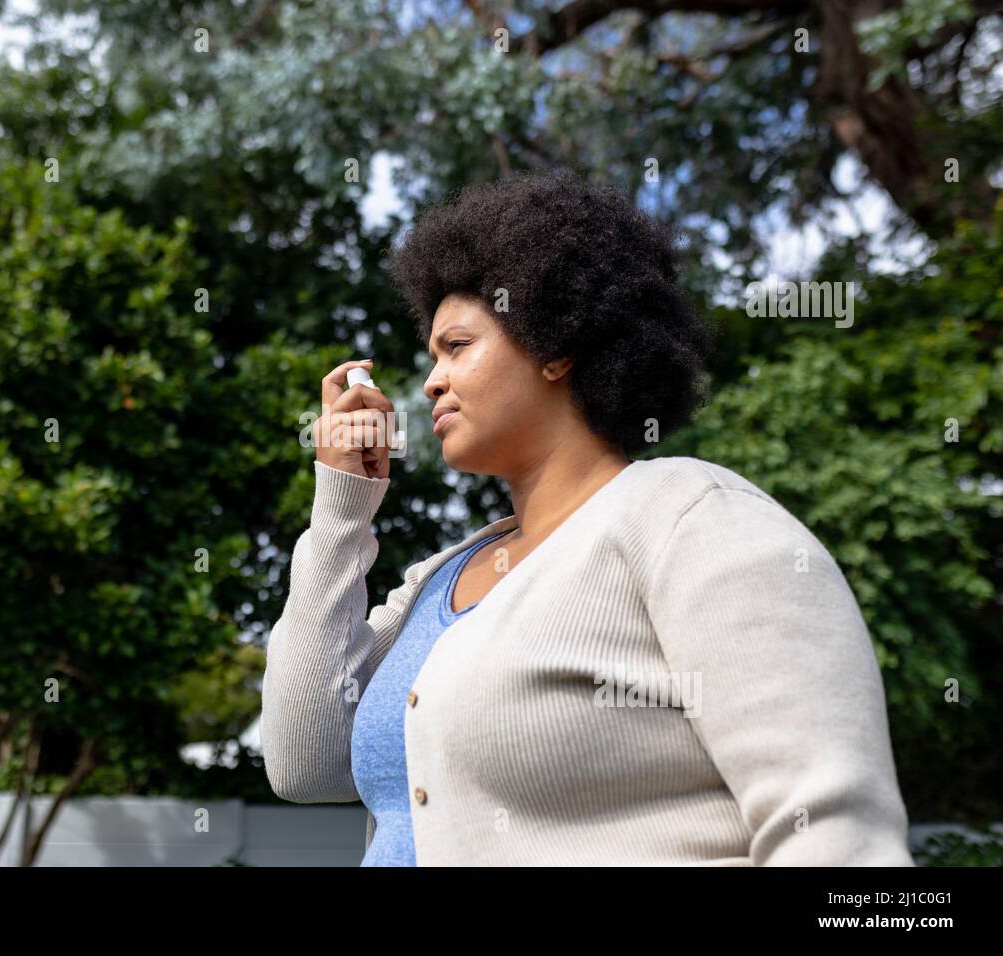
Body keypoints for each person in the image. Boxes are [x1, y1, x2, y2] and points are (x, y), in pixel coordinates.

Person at [260, 168, 915, 866]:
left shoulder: (689, 520)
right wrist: (340, 507)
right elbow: (307, 764)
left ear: (555, 344)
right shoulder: (437, 582)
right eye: (431, 356)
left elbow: (834, 836)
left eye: (458, 347)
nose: (431, 381)